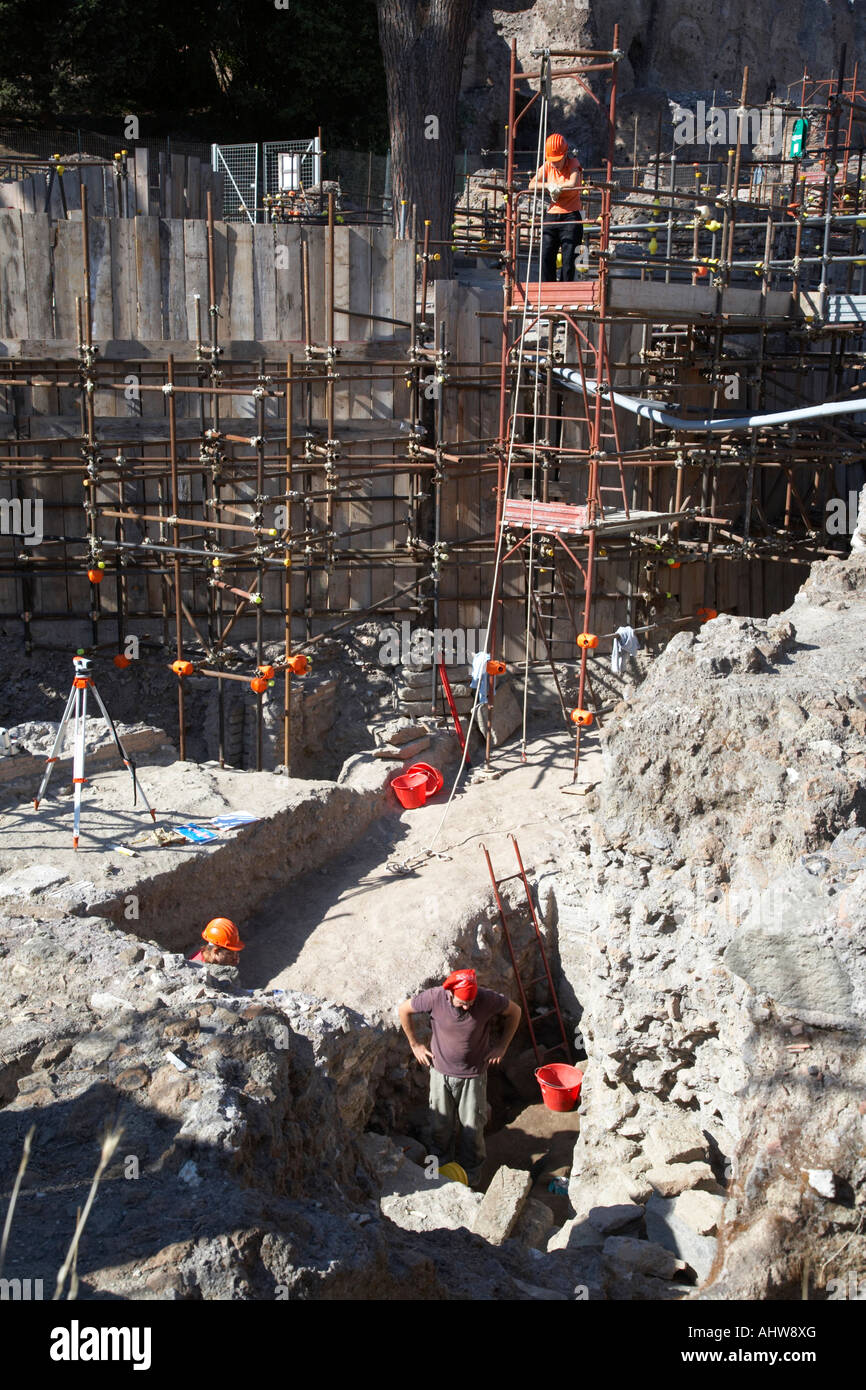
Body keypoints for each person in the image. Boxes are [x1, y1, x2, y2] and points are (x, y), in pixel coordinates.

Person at [398, 968, 521, 1187]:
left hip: (473, 1075)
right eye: (462, 1003)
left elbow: (515, 1012)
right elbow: (403, 1010)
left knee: (472, 1127)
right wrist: (415, 1045)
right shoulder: (435, 997)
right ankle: (440, 1170)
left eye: (471, 1003)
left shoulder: (486, 999)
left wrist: (502, 1046)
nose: (467, 1007)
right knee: (439, 1125)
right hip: (440, 1072)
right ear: (450, 993)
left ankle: (470, 1175)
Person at [528, 132, 583, 281]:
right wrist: (549, 186)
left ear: (565, 155)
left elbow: (572, 183)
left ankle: (566, 289)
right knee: (546, 254)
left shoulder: (574, 164)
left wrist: (558, 187)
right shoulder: (547, 165)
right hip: (552, 214)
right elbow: (532, 184)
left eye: (557, 160)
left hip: (571, 215)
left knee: (569, 258)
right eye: (551, 160)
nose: (554, 164)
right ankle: (547, 288)